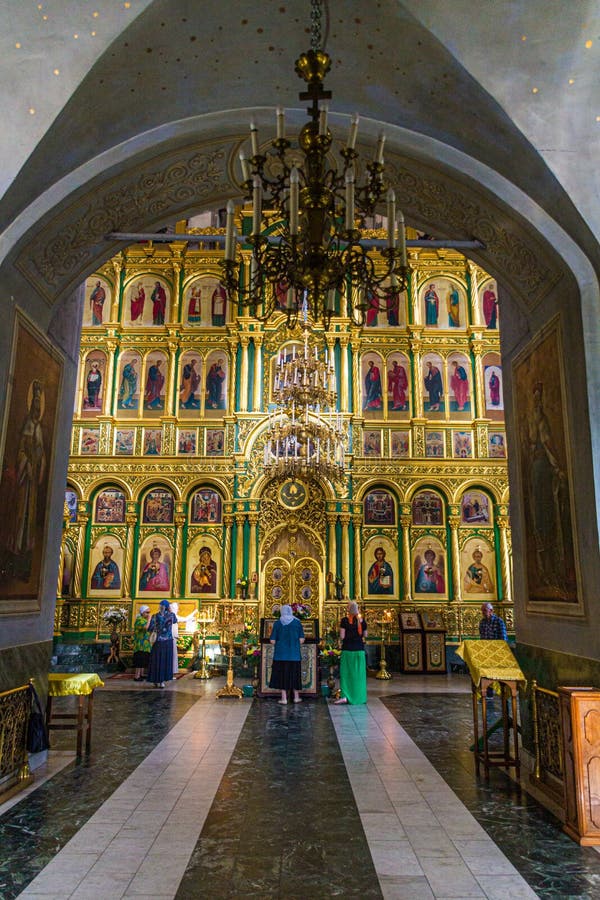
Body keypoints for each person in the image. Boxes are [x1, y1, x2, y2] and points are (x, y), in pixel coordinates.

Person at [269, 604, 305, 704]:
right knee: (294, 676)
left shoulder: (277, 623)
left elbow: (272, 640)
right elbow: (301, 640)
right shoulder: (297, 623)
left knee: (282, 676)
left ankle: (284, 698)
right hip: (294, 655)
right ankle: (296, 697)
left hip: (280, 655)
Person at [334, 601, 368, 705]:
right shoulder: (362, 621)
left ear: (349, 609)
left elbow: (342, 636)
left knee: (346, 675)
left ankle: (345, 697)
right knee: (359, 676)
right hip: (359, 651)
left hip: (348, 651)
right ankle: (360, 697)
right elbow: (365, 635)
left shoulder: (344, 620)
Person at [146, 600, 177, 688]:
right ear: (168, 607)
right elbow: (175, 621)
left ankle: (156, 679)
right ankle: (162, 680)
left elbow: (150, 628)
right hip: (168, 641)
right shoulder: (171, 615)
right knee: (165, 661)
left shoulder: (155, 616)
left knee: (156, 660)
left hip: (158, 641)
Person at [132, 604, 151, 681]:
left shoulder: (144, 620)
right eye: (147, 612)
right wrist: (149, 619)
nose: (148, 614)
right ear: (142, 612)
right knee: (139, 660)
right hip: (140, 644)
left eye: (149, 612)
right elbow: (146, 627)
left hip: (145, 644)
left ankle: (141, 674)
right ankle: (136, 676)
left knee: (143, 660)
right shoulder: (139, 620)